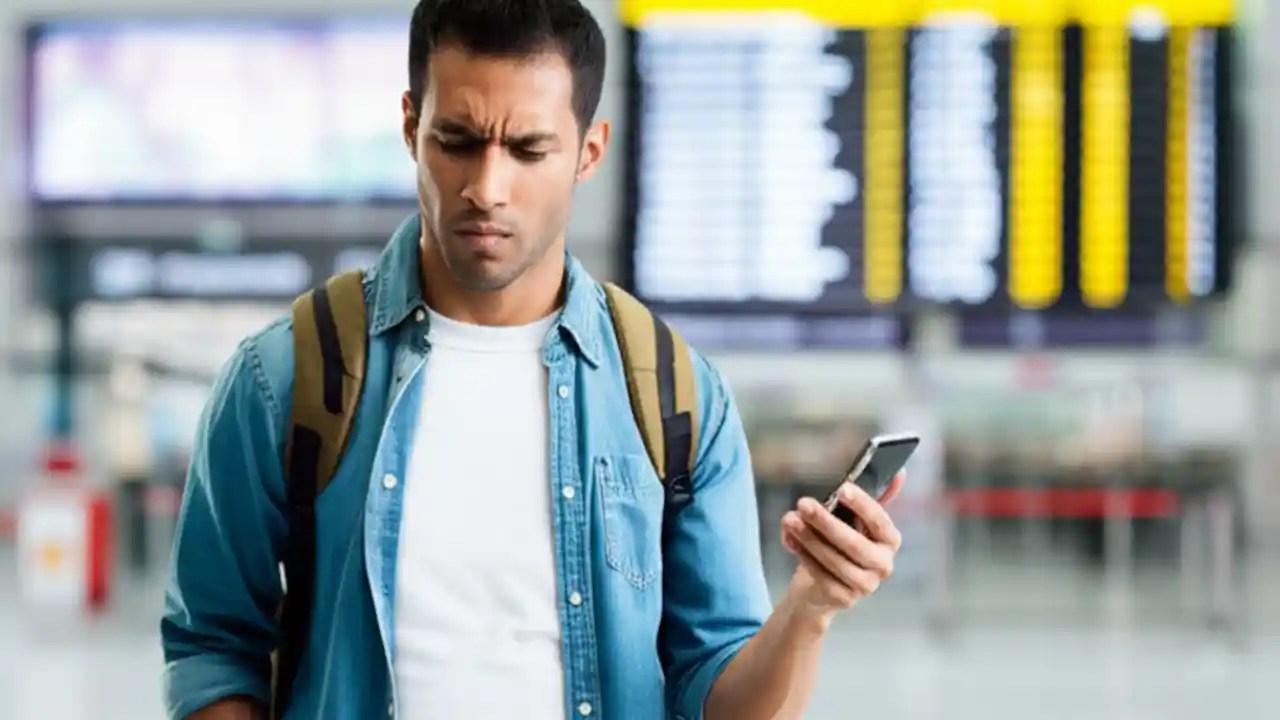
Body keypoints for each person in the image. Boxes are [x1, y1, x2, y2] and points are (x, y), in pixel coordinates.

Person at [160, 1, 904, 718]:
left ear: (588, 151)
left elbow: (723, 700)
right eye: (457, 140)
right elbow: (213, 648)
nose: (487, 188)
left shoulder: (675, 393)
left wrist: (811, 606)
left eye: (528, 149)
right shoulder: (285, 377)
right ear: (411, 126)